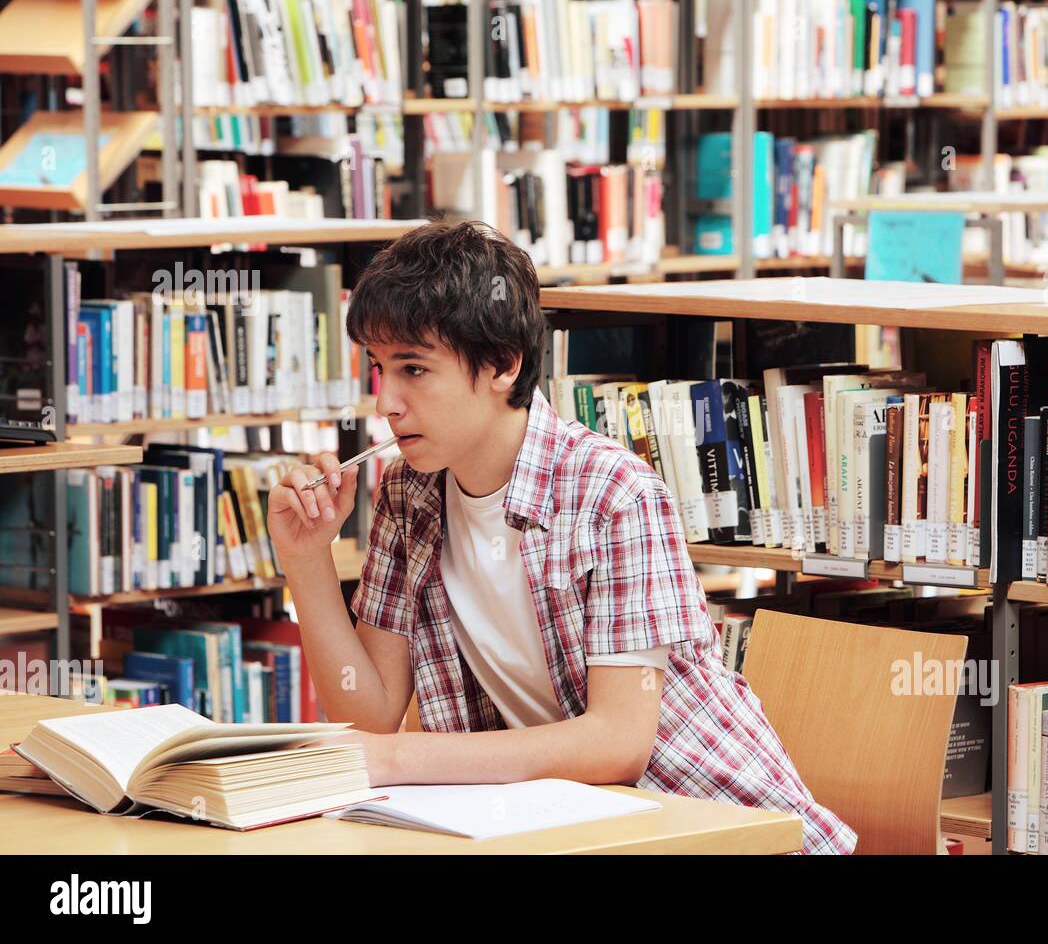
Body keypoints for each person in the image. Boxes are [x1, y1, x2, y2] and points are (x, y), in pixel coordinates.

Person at [267, 220, 856, 854]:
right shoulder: (407, 496)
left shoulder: (614, 494)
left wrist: (395, 759)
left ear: (501, 365)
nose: (387, 401)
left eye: (414, 369)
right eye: (380, 368)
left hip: (709, 822)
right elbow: (370, 715)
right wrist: (306, 559)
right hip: (565, 828)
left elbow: (617, 745)